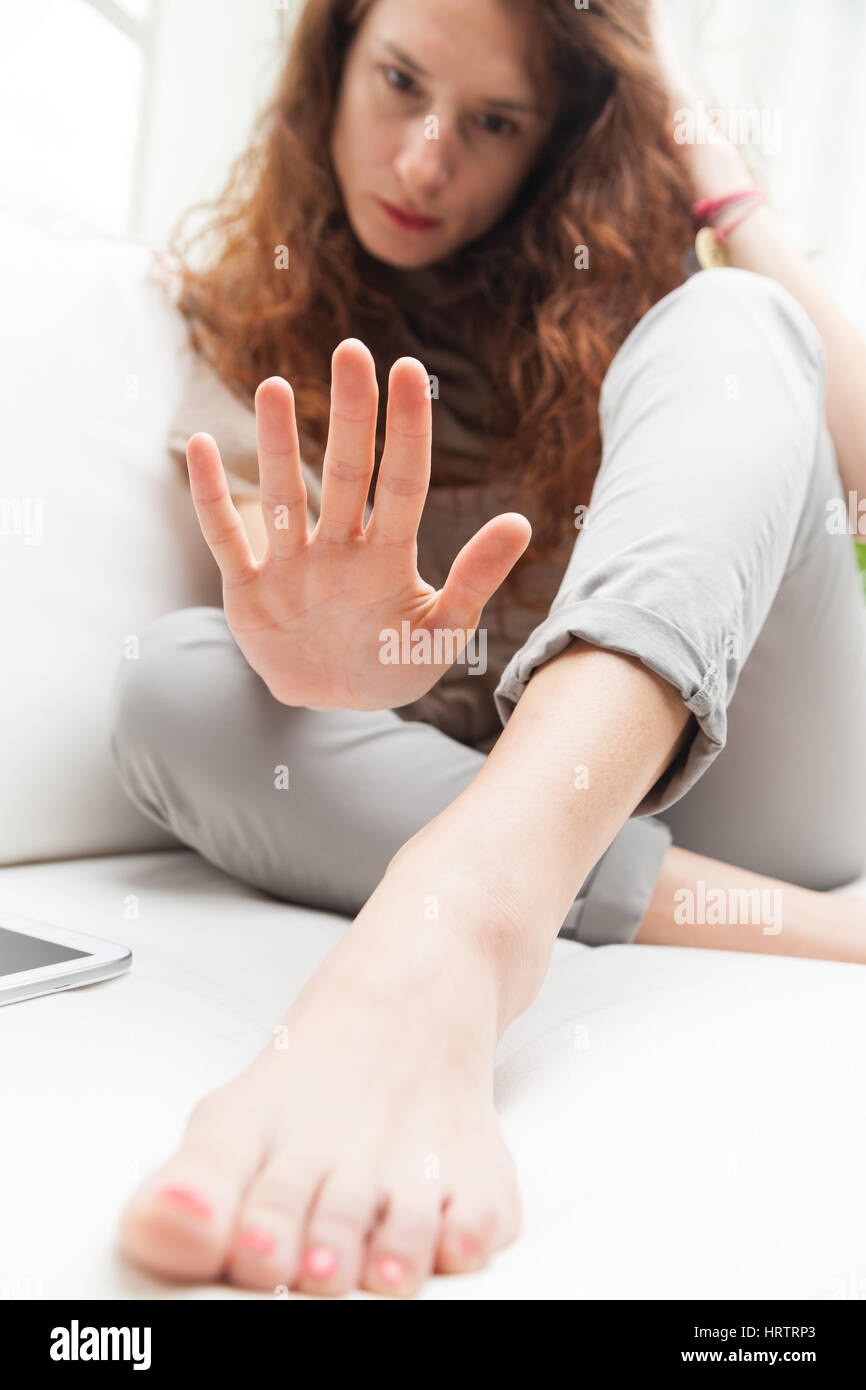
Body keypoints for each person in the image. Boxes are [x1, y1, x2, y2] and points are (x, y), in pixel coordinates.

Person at [109, 0, 866, 1298]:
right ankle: (804, 933)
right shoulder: (243, 336)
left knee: (734, 329)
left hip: (759, 780)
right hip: (533, 805)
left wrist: (712, 177)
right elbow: (286, 685)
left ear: (554, 141)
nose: (421, 162)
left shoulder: (630, 299)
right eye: (399, 83)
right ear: (333, 59)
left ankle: (460, 927)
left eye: (493, 123)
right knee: (168, 690)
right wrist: (352, 679)